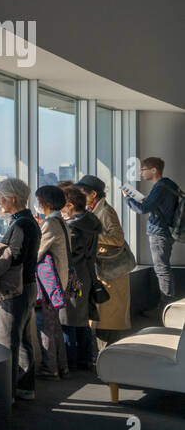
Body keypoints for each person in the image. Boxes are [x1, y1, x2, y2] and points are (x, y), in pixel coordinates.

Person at [0, 177, 40, 400]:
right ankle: (25, 387)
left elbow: (15, 257)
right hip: (29, 284)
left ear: (12, 198)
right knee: (23, 340)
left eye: (0, 197)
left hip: (16, 289)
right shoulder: (29, 220)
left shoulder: (20, 224)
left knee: (7, 342)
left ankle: (7, 393)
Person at [75, 175, 131, 344]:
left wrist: (90, 234)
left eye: (82, 193)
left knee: (108, 317)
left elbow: (117, 239)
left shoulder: (106, 211)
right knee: (104, 316)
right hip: (105, 270)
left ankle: (108, 359)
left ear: (93, 194)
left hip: (111, 271)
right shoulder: (95, 210)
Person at [122, 156, 179, 313]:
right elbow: (155, 206)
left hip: (159, 232)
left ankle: (167, 308)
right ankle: (167, 305)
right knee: (163, 268)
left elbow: (143, 209)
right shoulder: (169, 185)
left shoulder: (160, 187)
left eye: (143, 170)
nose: (140, 173)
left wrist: (128, 199)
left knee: (162, 269)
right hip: (166, 231)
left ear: (154, 170)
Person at [60, 184, 100, 370]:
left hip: (73, 278)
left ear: (70, 205)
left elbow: (70, 256)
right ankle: (86, 359)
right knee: (82, 320)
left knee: (69, 319)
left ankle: (72, 362)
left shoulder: (73, 228)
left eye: (62, 204)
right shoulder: (90, 220)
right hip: (87, 273)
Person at [34, 185, 70, 379]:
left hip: (49, 286)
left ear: (45, 203)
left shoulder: (50, 224)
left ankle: (50, 368)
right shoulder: (61, 221)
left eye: (38, 200)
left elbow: (37, 253)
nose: (36, 204)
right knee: (55, 326)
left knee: (45, 327)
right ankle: (61, 366)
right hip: (60, 281)